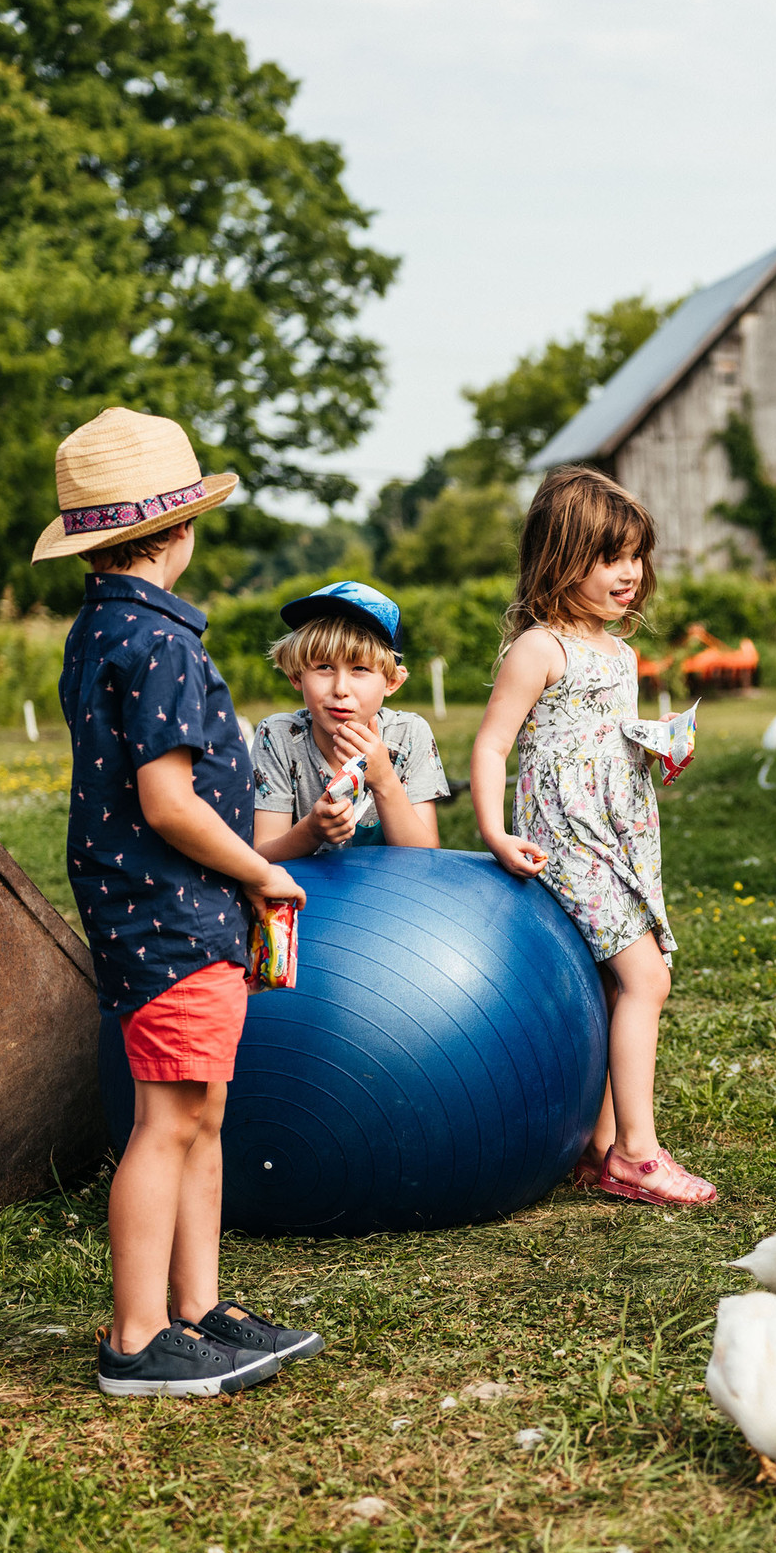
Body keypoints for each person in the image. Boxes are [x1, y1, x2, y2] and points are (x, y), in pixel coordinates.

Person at [48, 406, 324, 1397]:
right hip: (170, 913)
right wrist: (262, 870)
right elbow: (168, 801)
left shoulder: (103, 628)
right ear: (178, 530)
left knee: (199, 1109)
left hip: (168, 914)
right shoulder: (156, 643)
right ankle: (136, 1335)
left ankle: (198, 1311)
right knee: (168, 1118)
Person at [470, 465, 716, 1208]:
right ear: (558, 559)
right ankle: (638, 1155)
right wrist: (494, 832)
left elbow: (600, 741)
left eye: (636, 556)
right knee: (647, 978)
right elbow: (492, 745)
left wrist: (652, 748)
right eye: (609, 558)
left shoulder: (620, 653)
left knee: (615, 982)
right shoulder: (541, 649)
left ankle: (599, 1148)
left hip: (621, 833)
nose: (629, 574)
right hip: (569, 839)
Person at [251, 580, 450, 860]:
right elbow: (262, 856)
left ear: (392, 681)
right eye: (324, 667)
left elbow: (425, 859)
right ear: (296, 676)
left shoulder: (409, 735)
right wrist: (310, 831)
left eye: (359, 668)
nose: (340, 688)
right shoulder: (279, 737)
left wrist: (383, 781)